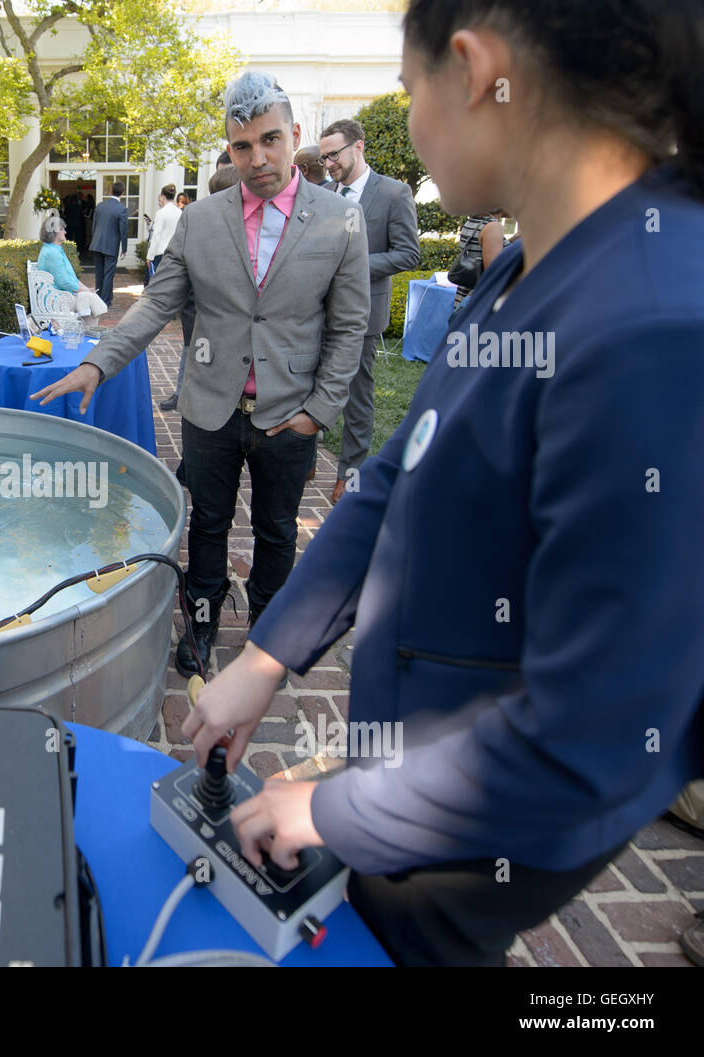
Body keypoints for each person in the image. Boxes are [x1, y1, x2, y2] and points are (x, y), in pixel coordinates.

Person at [181, 0, 704, 967]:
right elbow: (397, 479)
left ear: (473, 69)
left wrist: (339, 807)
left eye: (408, 88)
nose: (412, 125)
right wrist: (267, 655)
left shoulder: (656, 325)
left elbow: (597, 732)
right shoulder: (531, 267)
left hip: (466, 839)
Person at [33, 71, 369, 680]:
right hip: (210, 408)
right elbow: (156, 305)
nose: (257, 158)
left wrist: (319, 411)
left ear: (295, 135)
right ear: (229, 149)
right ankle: (203, 622)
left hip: (289, 415)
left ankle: (267, 634)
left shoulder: (340, 220)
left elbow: (349, 328)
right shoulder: (201, 219)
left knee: (276, 532)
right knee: (208, 525)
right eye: (242, 146)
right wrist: (96, 363)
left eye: (270, 140)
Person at [318, 118, 422, 505]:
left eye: (333, 155)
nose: (328, 163)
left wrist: (353, 264)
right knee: (308, 383)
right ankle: (306, 457)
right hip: (316, 309)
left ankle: (350, 473)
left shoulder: (394, 193)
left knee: (355, 395)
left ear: (358, 146)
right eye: (324, 157)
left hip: (363, 313)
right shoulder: (323, 193)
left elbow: (408, 253)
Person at [159, 164, 241, 413]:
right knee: (191, 352)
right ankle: (182, 393)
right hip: (194, 310)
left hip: (223, 327)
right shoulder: (200, 224)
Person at [36, 215, 108, 319]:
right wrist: (83, 291)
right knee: (87, 298)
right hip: (54, 301)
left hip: (61, 296)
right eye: (62, 229)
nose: (65, 232)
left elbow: (72, 277)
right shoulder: (52, 253)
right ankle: (96, 322)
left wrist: (85, 289)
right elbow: (63, 281)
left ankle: (90, 326)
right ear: (54, 232)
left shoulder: (56, 249)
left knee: (87, 298)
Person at [451, 210, 505, 308]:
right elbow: (494, 274)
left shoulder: (474, 222)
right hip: (480, 304)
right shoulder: (493, 227)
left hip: (464, 298)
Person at [88, 182, 129, 308]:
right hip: (111, 245)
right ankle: (104, 301)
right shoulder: (121, 209)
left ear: (112, 190)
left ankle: (102, 297)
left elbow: (94, 225)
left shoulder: (100, 206)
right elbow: (123, 231)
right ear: (123, 193)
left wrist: (94, 240)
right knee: (108, 274)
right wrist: (124, 249)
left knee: (99, 272)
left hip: (97, 243)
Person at [148, 185, 183, 287]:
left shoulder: (161, 213)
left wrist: (150, 256)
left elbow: (156, 236)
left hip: (160, 253)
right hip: (174, 253)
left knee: (157, 284)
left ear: (163, 196)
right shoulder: (179, 212)